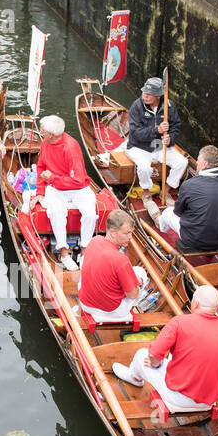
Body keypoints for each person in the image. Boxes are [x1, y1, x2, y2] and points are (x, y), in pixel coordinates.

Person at [113, 285, 218, 412]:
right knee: (174, 357)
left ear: (195, 304)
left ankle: (135, 377)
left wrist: (155, 364)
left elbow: (154, 353)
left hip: (178, 397)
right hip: (209, 402)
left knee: (141, 354)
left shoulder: (179, 322)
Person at [35, 114, 97, 272]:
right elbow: (41, 167)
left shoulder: (70, 147)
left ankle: (85, 249)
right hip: (56, 187)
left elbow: (78, 179)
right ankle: (63, 252)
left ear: (51, 134)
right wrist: (40, 191)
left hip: (78, 188)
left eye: (42, 131)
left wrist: (53, 178)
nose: (40, 133)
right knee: (56, 211)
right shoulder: (45, 143)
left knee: (90, 213)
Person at [150, 145, 218, 252]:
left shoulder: (189, 184)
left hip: (194, 239)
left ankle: (160, 228)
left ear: (205, 164)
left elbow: (178, 212)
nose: (196, 163)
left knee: (168, 212)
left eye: (198, 160)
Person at [77, 209, 148, 320]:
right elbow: (132, 295)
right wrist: (140, 283)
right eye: (126, 233)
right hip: (111, 311)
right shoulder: (121, 260)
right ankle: (132, 308)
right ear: (112, 232)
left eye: (131, 233)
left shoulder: (94, 240)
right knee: (140, 272)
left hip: (86, 304)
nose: (130, 237)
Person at [125, 76, 189, 193]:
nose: (145, 96)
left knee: (182, 163)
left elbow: (175, 126)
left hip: (159, 146)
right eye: (144, 92)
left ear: (158, 96)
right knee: (144, 168)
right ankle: (146, 192)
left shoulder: (169, 106)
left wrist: (170, 138)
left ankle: (166, 190)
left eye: (149, 94)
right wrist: (156, 130)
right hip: (139, 146)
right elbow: (135, 133)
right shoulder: (137, 106)